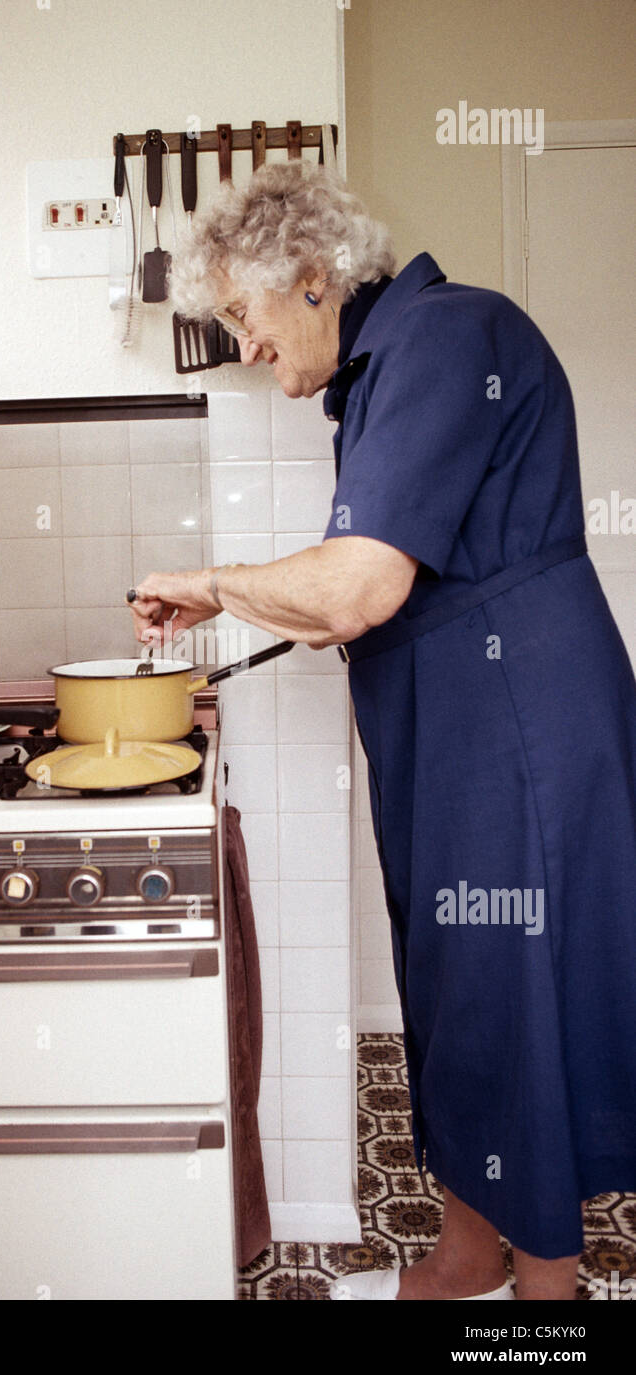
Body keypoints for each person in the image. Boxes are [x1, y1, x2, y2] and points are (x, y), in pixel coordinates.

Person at [126, 160, 636, 1301]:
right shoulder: (386, 368)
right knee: (457, 982)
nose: (248, 348)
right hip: (462, 736)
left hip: (520, 738)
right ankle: (468, 1249)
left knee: (512, 997)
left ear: (312, 279)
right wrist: (271, 599)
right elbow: (371, 586)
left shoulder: (449, 337)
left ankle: (548, 1300)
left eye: (246, 317)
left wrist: (216, 582)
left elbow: (357, 586)